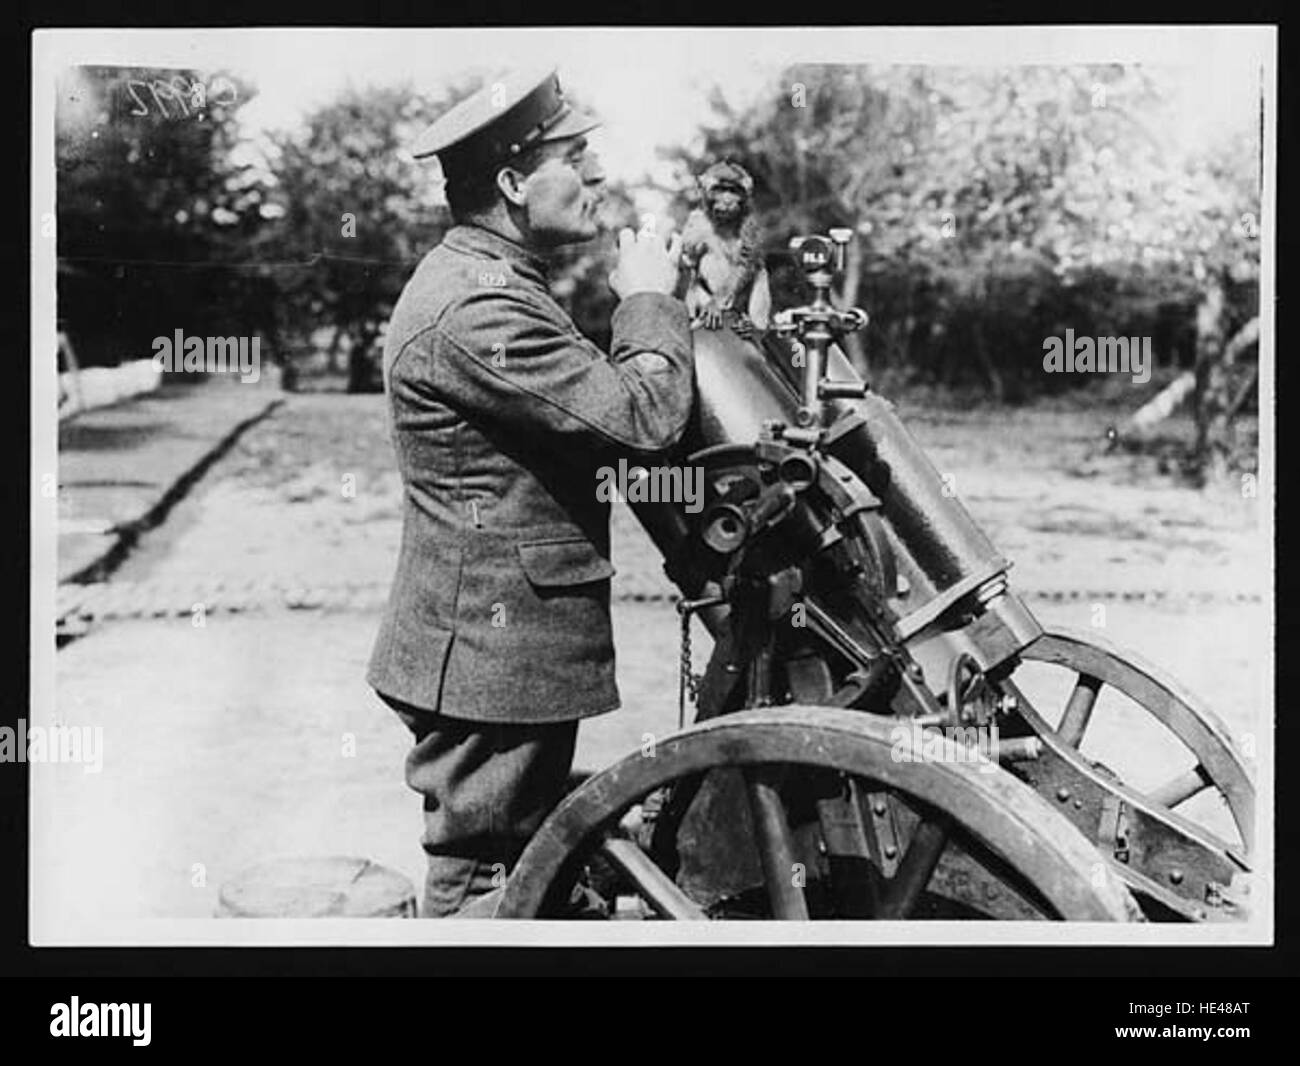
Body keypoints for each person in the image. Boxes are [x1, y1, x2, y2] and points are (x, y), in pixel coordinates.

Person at [367, 68, 694, 917]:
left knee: (519, 864)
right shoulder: (479, 308)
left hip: (498, 648)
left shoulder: (498, 281)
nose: (596, 176)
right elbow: (640, 417)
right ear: (513, 183)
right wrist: (651, 301)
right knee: (487, 881)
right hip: (488, 654)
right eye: (574, 157)